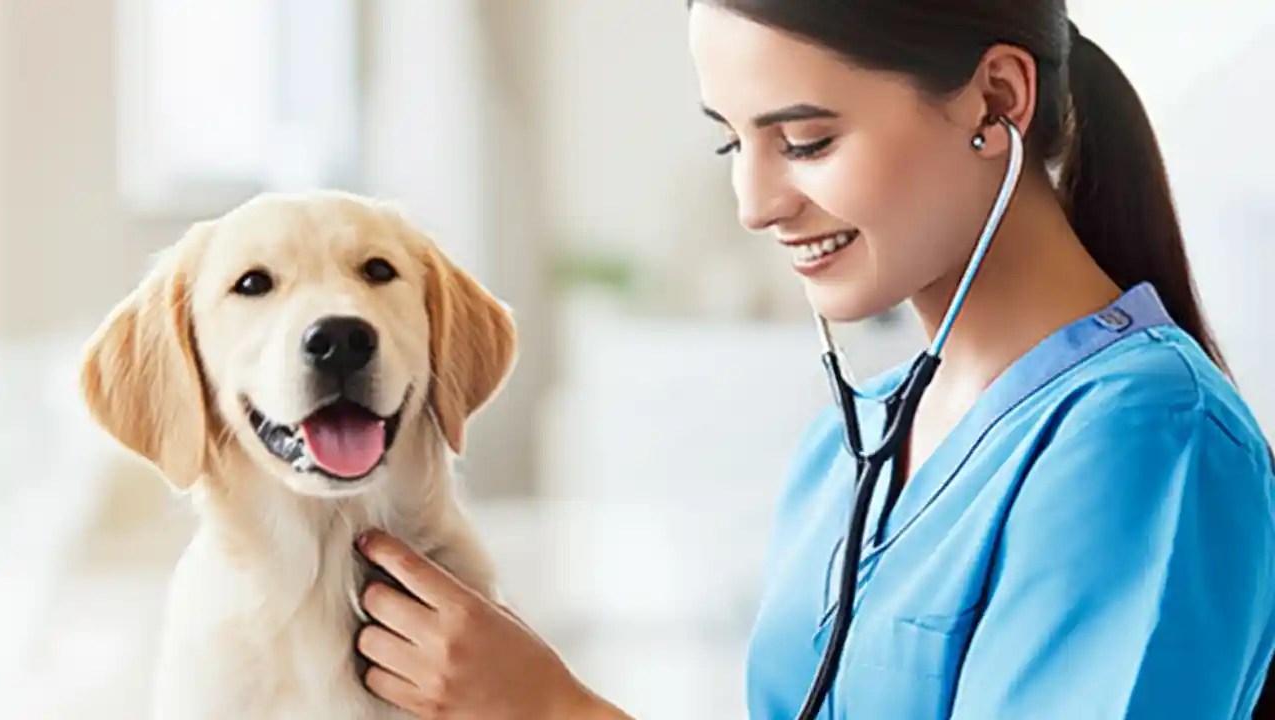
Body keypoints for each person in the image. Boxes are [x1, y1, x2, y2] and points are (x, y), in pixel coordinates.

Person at [349, 1, 1275, 718]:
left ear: (996, 99)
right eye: (731, 139)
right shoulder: (846, 451)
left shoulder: (1146, 438)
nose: (753, 203)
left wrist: (553, 709)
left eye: (805, 141)